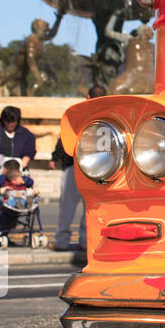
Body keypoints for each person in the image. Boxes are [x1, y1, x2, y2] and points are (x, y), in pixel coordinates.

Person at [50, 84, 106, 251]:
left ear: (88, 97)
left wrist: (55, 157)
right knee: (90, 208)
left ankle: (61, 240)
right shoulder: (108, 114)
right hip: (98, 168)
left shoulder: (79, 114)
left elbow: (65, 140)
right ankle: (85, 241)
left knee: (67, 206)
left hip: (75, 165)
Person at [0, 159, 37, 248]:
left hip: (9, 205)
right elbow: (30, 182)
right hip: (11, 203)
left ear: (6, 169)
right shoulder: (21, 179)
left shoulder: (3, 178)